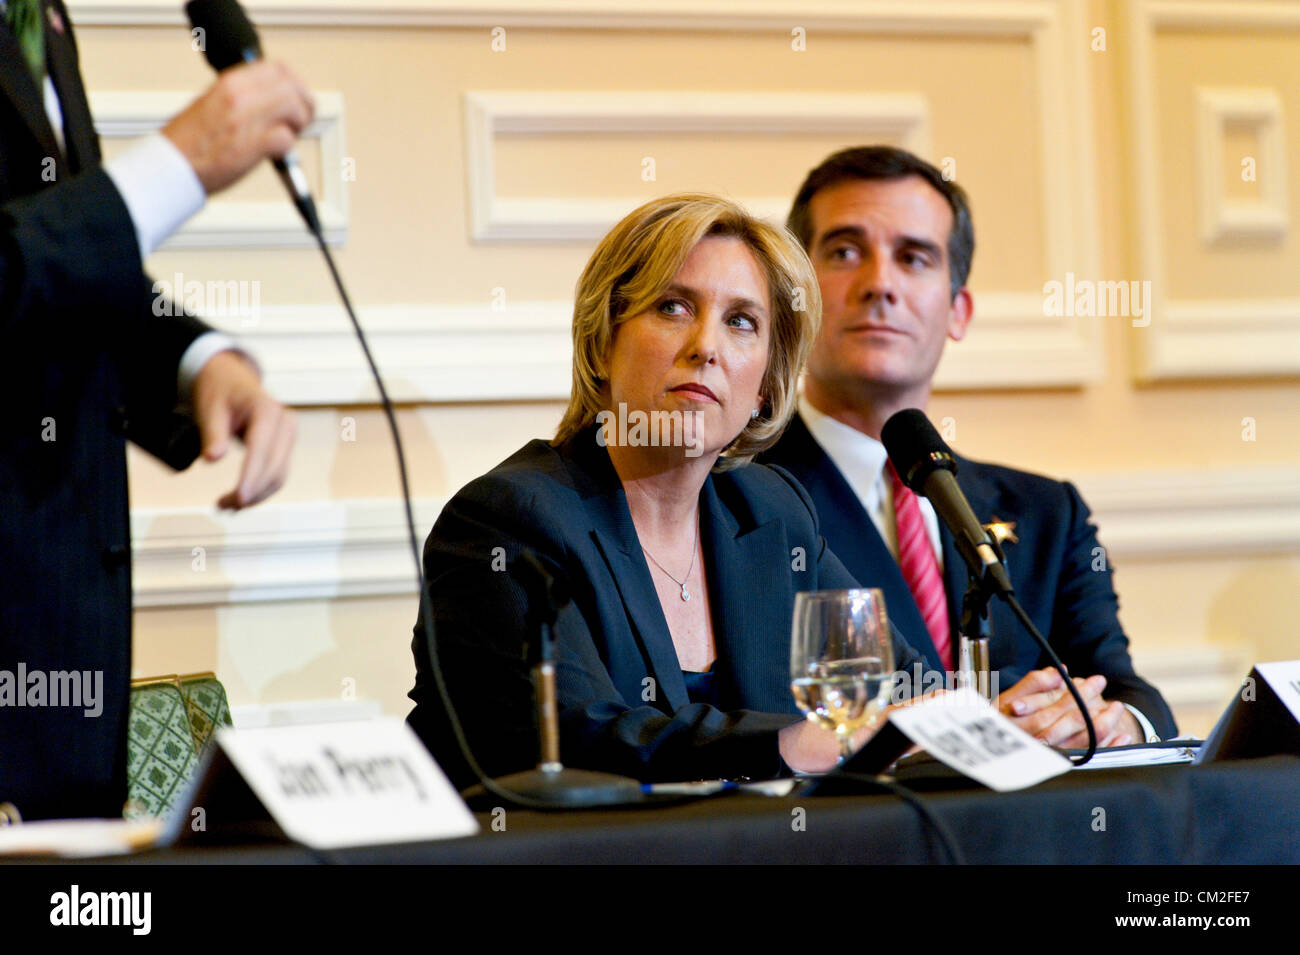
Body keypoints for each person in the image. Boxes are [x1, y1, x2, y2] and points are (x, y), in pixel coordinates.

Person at [407, 194, 943, 788]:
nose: (706, 347)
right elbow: (574, 739)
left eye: (741, 322)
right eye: (673, 307)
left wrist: (1007, 718)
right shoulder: (507, 522)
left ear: (766, 384)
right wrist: (790, 743)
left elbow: (905, 693)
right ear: (603, 342)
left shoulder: (772, 514)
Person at [1, 0, 308, 819]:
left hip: (63, 678)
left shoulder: (41, 15)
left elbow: (58, 279)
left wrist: (196, 362)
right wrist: (175, 166)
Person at [761, 146, 1177, 746]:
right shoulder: (738, 497)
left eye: (914, 257)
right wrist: (982, 720)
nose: (880, 284)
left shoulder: (1047, 513)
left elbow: (1124, 693)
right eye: (845, 251)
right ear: (793, 299)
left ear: (959, 310)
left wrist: (1108, 728)